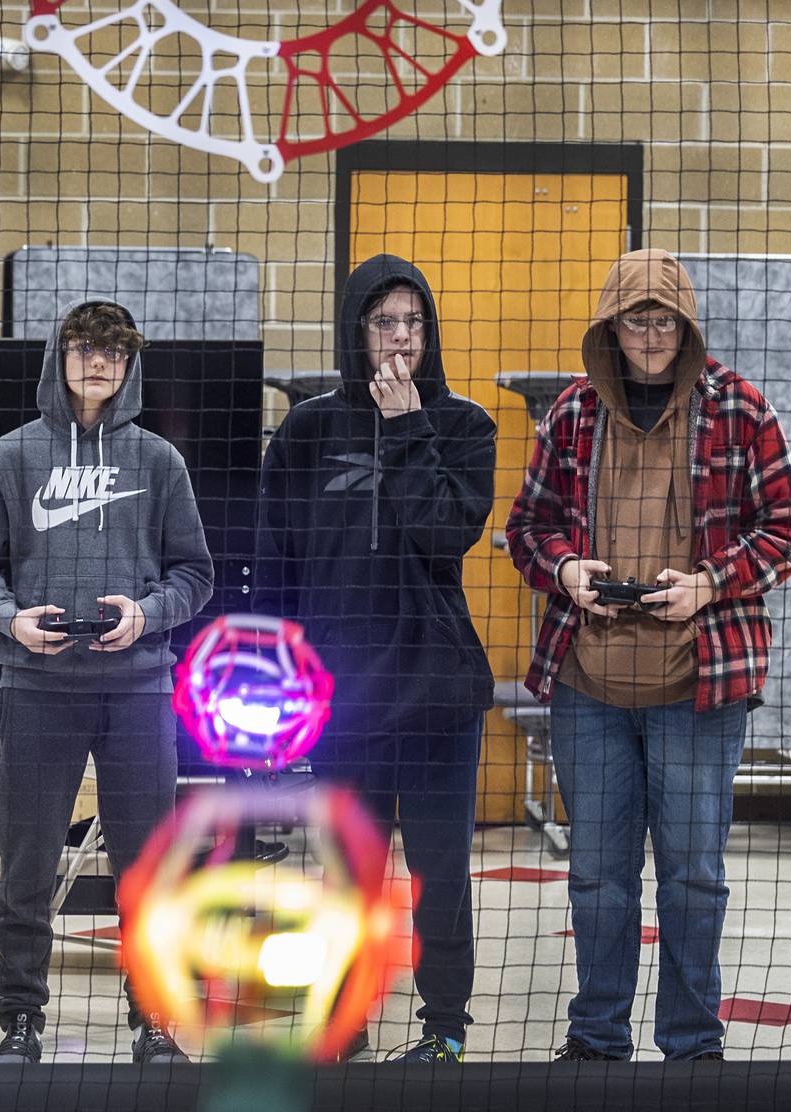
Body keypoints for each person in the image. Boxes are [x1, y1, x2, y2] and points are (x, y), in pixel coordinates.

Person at [505, 248, 791, 1063]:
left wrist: (711, 584)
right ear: (609, 328)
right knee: (599, 881)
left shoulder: (742, 409)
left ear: (688, 326)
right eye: (634, 319)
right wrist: (567, 570)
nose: (649, 334)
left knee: (693, 879)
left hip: (698, 685)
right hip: (589, 683)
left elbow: (788, 531)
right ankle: (597, 1042)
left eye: (664, 319)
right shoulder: (571, 413)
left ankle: (692, 1044)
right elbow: (524, 529)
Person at [0, 298, 214, 1065]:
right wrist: (10, 617)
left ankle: (154, 1020)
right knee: (27, 862)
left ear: (130, 366)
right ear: (59, 356)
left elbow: (195, 573)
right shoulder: (13, 456)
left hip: (137, 692)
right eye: (84, 347)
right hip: (35, 687)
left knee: (148, 866)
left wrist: (149, 612)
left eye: (114, 352)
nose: (98, 362)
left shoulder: (160, 461)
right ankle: (20, 1017)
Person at [254, 254, 496, 1064]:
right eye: (383, 322)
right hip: (343, 699)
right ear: (355, 330)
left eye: (413, 323)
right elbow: (277, 562)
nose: (400, 339)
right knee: (345, 877)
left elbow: (444, 533)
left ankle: (447, 1029)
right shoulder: (307, 429)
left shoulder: (464, 426)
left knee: (439, 878)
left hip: (434, 694)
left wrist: (407, 427)